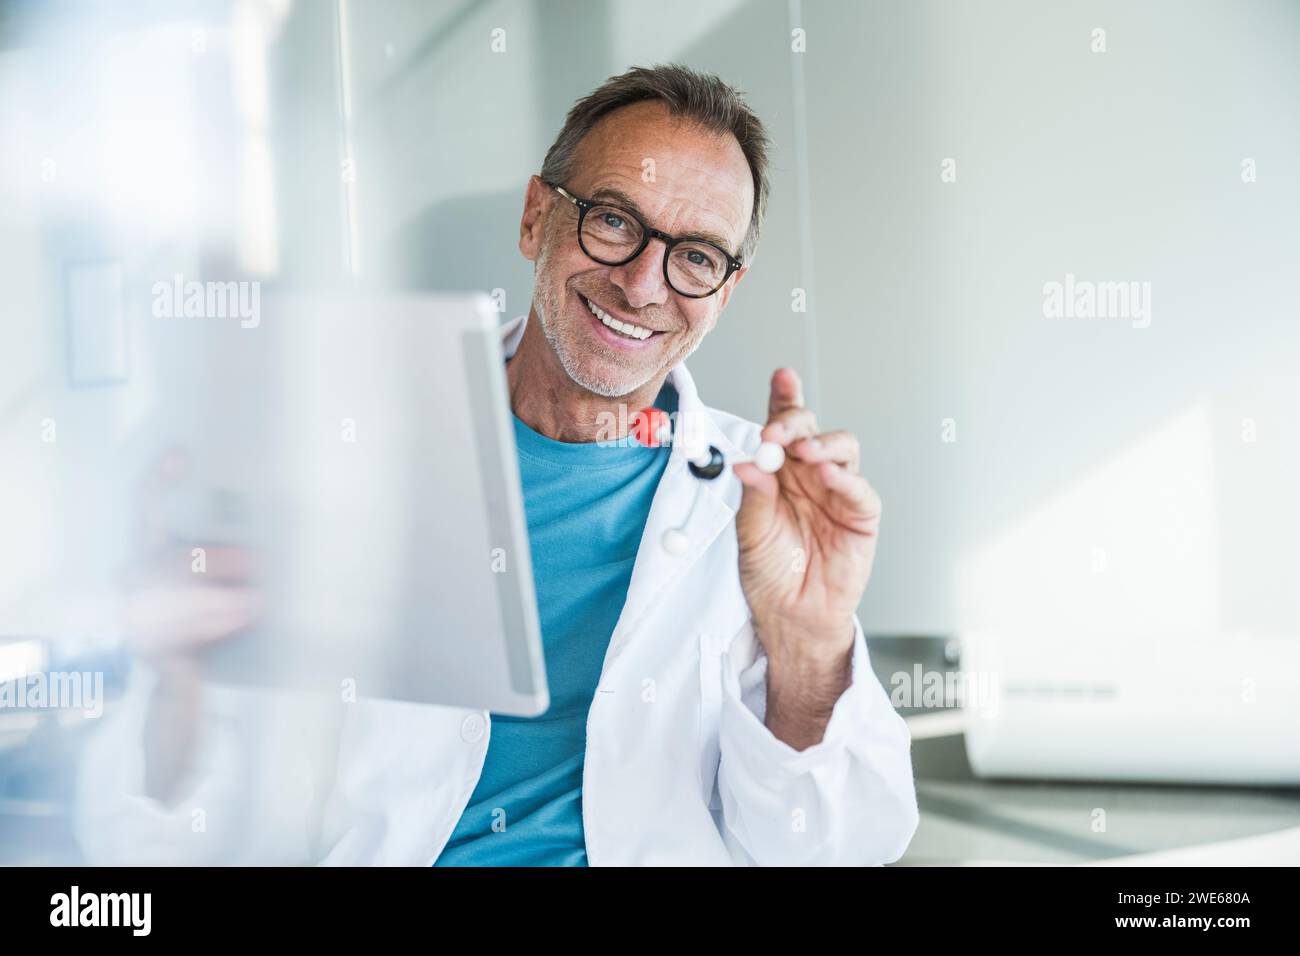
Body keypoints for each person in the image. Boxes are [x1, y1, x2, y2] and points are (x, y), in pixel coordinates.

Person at [77, 64, 918, 866]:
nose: (642, 285)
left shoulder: (763, 496)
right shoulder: (346, 456)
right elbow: (173, 842)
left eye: (696, 255)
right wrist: (178, 670)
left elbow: (830, 850)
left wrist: (809, 646)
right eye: (615, 220)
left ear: (723, 293)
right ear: (534, 219)